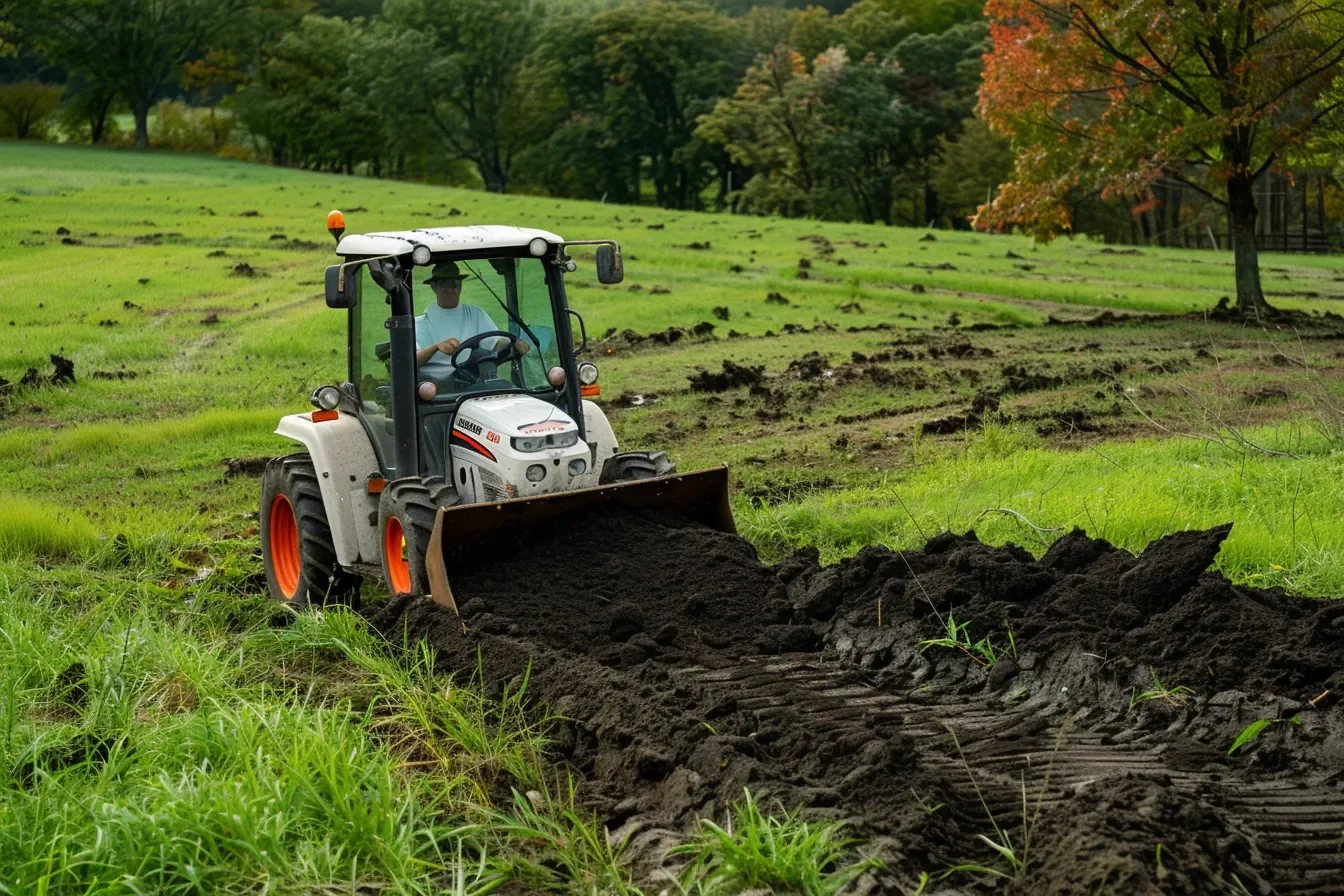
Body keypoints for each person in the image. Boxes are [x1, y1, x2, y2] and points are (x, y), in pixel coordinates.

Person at [414, 261, 528, 381]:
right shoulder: (419, 324)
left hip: (473, 382)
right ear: (434, 287)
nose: (450, 289)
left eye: (455, 284)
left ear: (460, 286)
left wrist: (513, 345)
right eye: (444, 284)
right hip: (436, 388)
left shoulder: (475, 314)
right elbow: (410, 362)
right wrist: (436, 347)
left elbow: (495, 343)